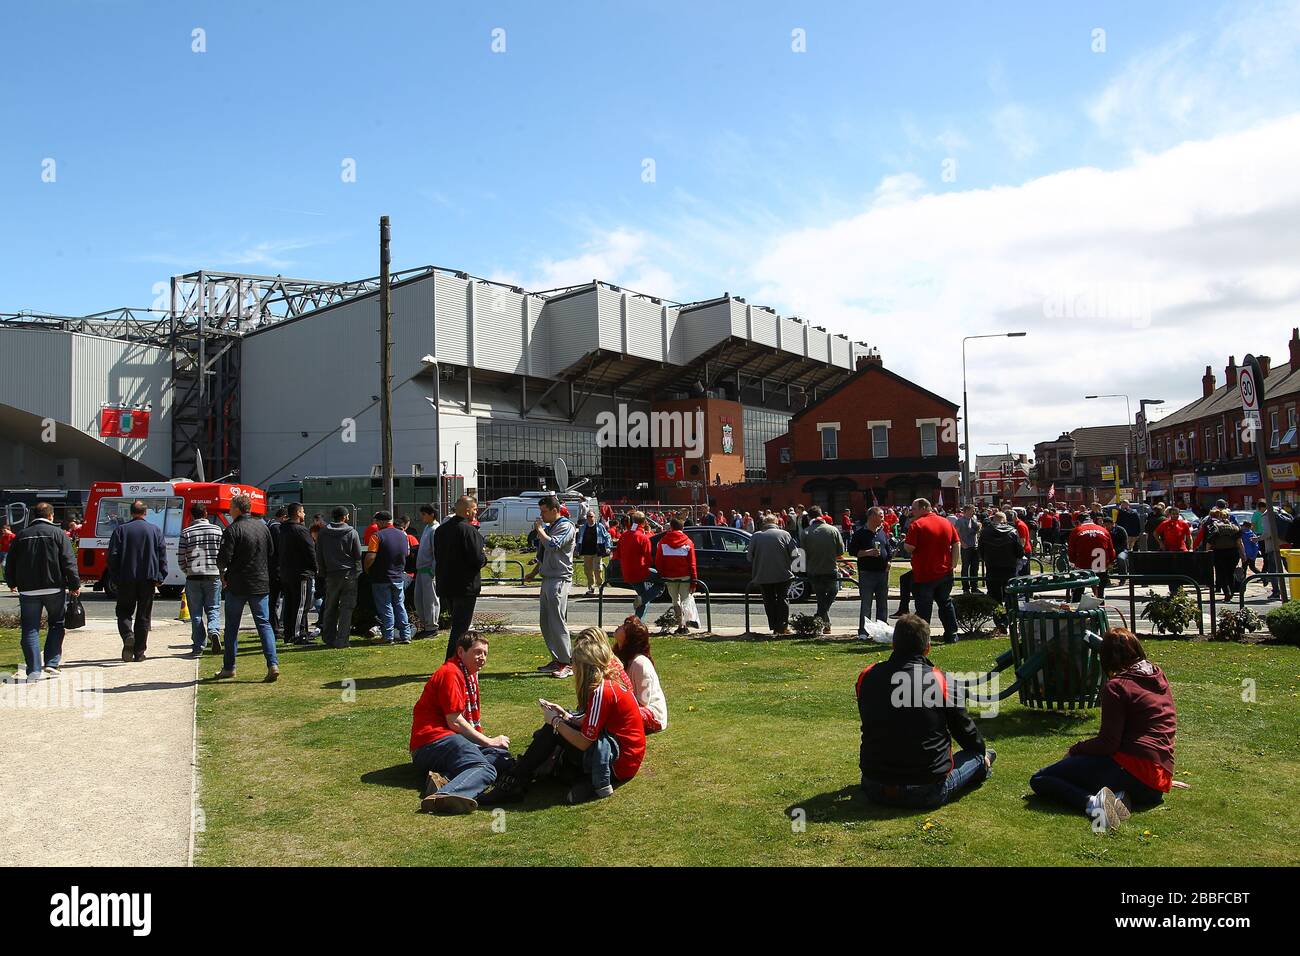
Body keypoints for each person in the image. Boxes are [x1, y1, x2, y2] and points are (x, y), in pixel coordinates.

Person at [1030, 628, 1176, 832]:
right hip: (1156, 784)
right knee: (1088, 772)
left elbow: (1108, 743)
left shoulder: (1117, 686)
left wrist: (1076, 749)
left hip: (1133, 770)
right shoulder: (1157, 675)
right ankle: (1117, 797)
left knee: (1041, 779)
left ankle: (1093, 804)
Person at [856, 613, 994, 808]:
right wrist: (980, 752)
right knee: (978, 757)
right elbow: (964, 730)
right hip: (926, 787)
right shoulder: (940, 680)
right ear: (927, 648)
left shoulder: (868, 675)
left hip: (875, 783)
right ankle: (983, 763)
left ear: (893, 645)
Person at [410, 631, 512, 814]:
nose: (482, 658)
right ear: (460, 652)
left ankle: (443, 779)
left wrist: (489, 744)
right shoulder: (451, 673)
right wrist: (488, 741)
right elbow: (454, 721)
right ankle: (445, 797)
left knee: (501, 758)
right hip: (432, 742)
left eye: (485, 653)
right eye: (477, 652)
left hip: (446, 740)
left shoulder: (467, 674)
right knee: (485, 768)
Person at [4, 501, 80, 679]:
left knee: (30, 629)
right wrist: (74, 584)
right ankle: (52, 663)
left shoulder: (21, 535)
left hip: (28, 589)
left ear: (33, 516)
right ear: (51, 516)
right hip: (54, 587)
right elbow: (68, 561)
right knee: (56, 623)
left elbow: (10, 562)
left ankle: (34, 669)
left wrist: (11, 582)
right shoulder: (58, 534)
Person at [215, 494, 280, 682]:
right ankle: (272, 663)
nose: (228, 510)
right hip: (260, 582)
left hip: (237, 584)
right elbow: (271, 553)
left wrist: (223, 573)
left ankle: (229, 667)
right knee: (264, 625)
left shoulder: (232, 529)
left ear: (237, 509)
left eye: (230, 507)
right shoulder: (263, 527)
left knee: (232, 627)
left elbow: (223, 559)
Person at [106, 499, 167, 663]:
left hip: (126, 577)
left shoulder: (121, 530)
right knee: (144, 615)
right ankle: (139, 652)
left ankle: (128, 635)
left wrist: (116, 577)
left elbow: (112, 556)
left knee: (124, 611)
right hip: (148, 578)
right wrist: (161, 576)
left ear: (131, 512)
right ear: (145, 512)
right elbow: (162, 554)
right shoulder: (155, 530)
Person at [524, 495, 576, 677]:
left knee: (557, 622)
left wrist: (540, 530)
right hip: (548, 579)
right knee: (546, 623)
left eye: (544, 511)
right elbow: (544, 554)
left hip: (559, 579)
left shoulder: (565, 526)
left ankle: (567, 662)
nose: (541, 515)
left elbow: (553, 545)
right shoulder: (550, 527)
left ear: (555, 510)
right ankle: (557, 660)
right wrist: (533, 573)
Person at [435, 495, 487, 660]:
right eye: (474, 509)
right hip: (465, 586)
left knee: (457, 625)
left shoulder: (441, 530)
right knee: (460, 628)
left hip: (447, 584)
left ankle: (456, 658)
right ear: (467, 510)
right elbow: (478, 559)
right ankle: (452, 660)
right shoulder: (468, 530)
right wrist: (484, 557)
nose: (476, 512)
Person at [903, 498, 960, 644]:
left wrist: (905, 543)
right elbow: (956, 543)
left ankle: (923, 639)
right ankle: (952, 634)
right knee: (946, 604)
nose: (912, 512)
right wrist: (953, 564)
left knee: (923, 608)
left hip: (924, 573)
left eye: (914, 508)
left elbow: (909, 548)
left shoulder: (916, 524)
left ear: (923, 508)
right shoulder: (946, 522)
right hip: (945, 572)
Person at [177, 502, 224, 657]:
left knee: (196, 613)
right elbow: (223, 554)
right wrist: (222, 572)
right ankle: (214, 630)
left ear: (192, 515)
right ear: (206, 514)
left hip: (193, 576)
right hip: (213, 574)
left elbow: (180, 557)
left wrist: (187, 571)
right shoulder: (217, 530)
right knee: (213, 608)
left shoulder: (186, 532)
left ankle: (198, 646)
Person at [612, 615, 668, 733]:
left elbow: (643, 702)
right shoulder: (621, 658)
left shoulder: (640, 664)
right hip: (632, 708)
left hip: (652, 715)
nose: (619, 626)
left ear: (629, 638)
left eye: (624, 626)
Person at [316, 506, 362, 649]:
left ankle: (328, 637)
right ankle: (342, 639)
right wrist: (357, 572)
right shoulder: (352, 532)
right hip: (349, 574)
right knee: (346, 608)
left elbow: (319, 554)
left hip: (331, 574)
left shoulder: (323, 533)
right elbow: (358, 555)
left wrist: (323, 572)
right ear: (344, 517)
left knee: (330, 606)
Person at [364, 511, 413, 645]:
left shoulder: (377, 536)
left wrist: (367, 568)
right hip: (398, 576)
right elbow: (407, 553)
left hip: (381, 577)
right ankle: (405, 635)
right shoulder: (403, 535)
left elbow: (371, 556)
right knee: (399, 605)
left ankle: (388, 636)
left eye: (377, 522)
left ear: (381, 522)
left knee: (385, 607)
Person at [748, 513, 798, 636]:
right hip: (783, 573)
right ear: (776, 523)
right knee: (783, 599)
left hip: (763, 574)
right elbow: (796, 554)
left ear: (764, 524)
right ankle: (783, 626)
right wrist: (788, 562)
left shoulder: (756, 536)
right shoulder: (785, 534)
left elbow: (749, 557)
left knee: (768, 600)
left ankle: (774, 626)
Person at [278, 503, 317, 645]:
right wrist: (316, 568)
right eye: (303, 512)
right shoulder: (300, 530)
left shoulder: (283, 529)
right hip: (301, 573)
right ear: (298, 513)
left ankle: (290, 634)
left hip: (287, 572)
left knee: (289, 604)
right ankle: (297, 635)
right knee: (301, 606)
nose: (304, 514)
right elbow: (310, 551)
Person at [849, 506, 893, 635]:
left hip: (882, 573)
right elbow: (852, 551)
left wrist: (889, 562)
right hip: (867, 573)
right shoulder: (860, 534)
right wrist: (867, 553)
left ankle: (882, 631)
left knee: (882, 604)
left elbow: (888, 551)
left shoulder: (882, 533)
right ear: (872, 516)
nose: (883, 518)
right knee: (866, 604)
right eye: (880, 515)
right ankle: (863, 632)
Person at [802, 506, 845, 635]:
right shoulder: (833, 530)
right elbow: (840, 551)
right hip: (830, 568)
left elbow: (803, 553)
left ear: (810, 517)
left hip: (814, 570)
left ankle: (822, 620)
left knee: (820, 598)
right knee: (833, 592)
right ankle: (824, 622)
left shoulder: (805, 532)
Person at [653, 516, 697, 634]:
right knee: (685, 600)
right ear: (682, 528)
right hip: (685, 576)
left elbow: (658, 561)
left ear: (671, 527)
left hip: (669, 576)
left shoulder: (662, 542)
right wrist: (694, 580)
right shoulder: (688, 542)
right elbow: (692, 563)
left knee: (675, 600)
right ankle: (684, 625)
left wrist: (662, 573)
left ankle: (680, 623)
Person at [612, 510, 658, 620]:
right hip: (640, 571)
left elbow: (617, 554)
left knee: (644, 600)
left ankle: (636, 623)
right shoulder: (643, 538)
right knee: (661, 581)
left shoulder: (624, 536)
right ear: (644, 522)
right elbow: (648, 559)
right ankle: (637, 620)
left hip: (627, 572)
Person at [1195, 508, 1246, 602]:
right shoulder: (1234, 527)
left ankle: (1227, 592)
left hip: (1219, 553)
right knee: (1230, 573)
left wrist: (1207, 554)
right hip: (1233, 553)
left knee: (1221, 574)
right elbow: (1239, 543)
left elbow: (1209, 543)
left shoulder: (1215, 527)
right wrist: (1243, 555)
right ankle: (1231, 592)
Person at [978, 511, 1023, 605]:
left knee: (994, 597)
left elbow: (980, 551)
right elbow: (1020, 552)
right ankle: (1009, 616)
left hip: (992, 567)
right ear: (1005, 520)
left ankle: (998, 617)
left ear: (993, 520)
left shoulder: (985, 532)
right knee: (1010, 596)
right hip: (1009, 567)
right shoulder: (1012, 531)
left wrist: (986, 558)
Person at [1067, 514, 1115, 600]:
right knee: (1100, 593)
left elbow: (1071, 551)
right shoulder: (1103, 530)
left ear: (1078, 522)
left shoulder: (1076, 530)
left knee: (1078, 591)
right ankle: (1101, 607)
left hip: (1083, 565)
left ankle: (1077, 608)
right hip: (1100, 565)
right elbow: (1111, 550)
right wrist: (1110, 562)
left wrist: (1074, 561)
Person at [413, 504, 441, 638]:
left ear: (432, 514)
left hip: (429, 571)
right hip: (421, 570)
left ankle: (432, 627)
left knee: (430, 600)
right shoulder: (427, 528)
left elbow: (437, 552)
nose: (421, 517)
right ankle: (426, 625)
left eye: (424, 514)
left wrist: (433, 571)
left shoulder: (435, 529)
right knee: (419, 600)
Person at [575, 508, 612, 596]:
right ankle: (591, 587)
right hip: (586, 551)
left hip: (597, 551)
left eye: (591, 516)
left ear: (595, 517)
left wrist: (608, 547)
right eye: (588, 516)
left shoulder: (600, 526)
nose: (589, 518)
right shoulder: (583, 527)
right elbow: (579, 539)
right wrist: (577, 550)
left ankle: (600, 587)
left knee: (597, 569)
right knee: (588, 570)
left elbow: (607, 536)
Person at [266, 505, 288, 638]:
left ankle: (274, 626)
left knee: (273, 601)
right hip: (277, 569)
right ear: (283, 517)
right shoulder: (277, 528)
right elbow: (281, 549)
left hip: (271, 568)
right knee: (275, 601)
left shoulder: (269, 526)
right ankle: (274, 627)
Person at [953, 505, 983, 593]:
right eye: (972, 510)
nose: (973, 512)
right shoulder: (960, 521)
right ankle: (965, 588)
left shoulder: (973, 519)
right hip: (966, 547)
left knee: (975, 567)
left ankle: (974, 587)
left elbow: (976, 531)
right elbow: (956, 533)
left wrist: (979, 527)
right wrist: (962, 543)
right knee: (965, 567)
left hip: (974, 546)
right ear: (966, 511)